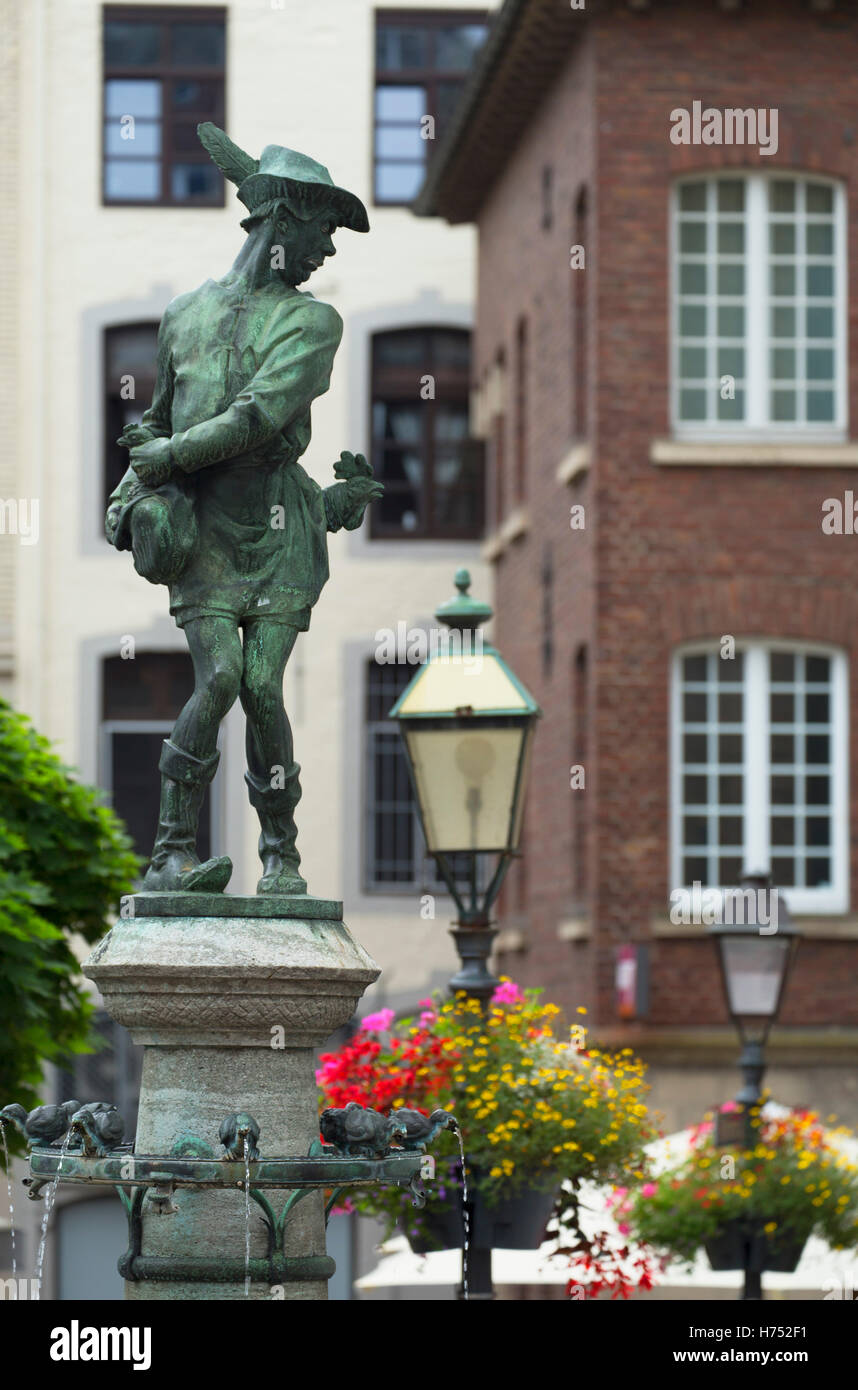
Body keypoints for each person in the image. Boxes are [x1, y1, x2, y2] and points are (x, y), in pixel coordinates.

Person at [105, 124, 382, 895]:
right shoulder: (183, 314)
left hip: (279, 529)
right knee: (220, 676)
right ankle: (169, 853)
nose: (328, 248)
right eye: (323, 227)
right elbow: (158, 418)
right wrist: (133, 494)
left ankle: (281, 853)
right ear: (282, 219)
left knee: (262, 686)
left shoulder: (312, 322)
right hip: (202, 532)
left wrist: (169, 457)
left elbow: (260, 416)